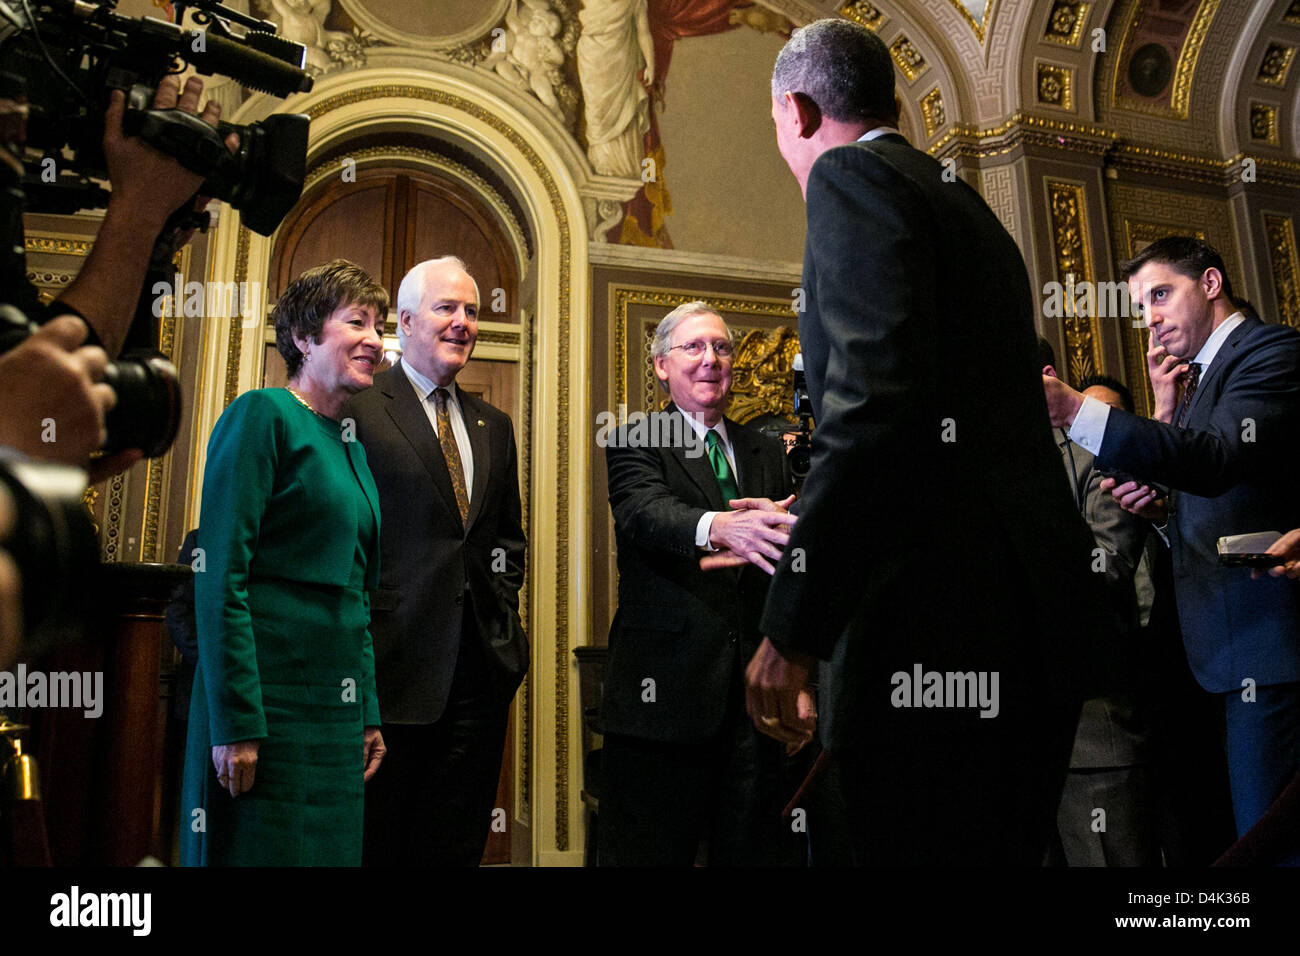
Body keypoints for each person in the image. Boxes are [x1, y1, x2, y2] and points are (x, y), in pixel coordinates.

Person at [743, 18, 1107, 865]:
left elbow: (871, 404)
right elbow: (942, 423)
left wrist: (792, 626)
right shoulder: (963, 201)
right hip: (1028, 628)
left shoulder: (848, 177)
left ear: (796, 110)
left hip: (929, 633)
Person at [1042, 236, 1300, 850]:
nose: (1150, 318)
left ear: (1210, 284)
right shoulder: (1197, 380)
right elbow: (1210, 497)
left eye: (1162, 294)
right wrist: (1160, 511)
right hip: (1214, 656)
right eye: (1141, 305)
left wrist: (1076, 409)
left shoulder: (1271, 351)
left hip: (1270, 646)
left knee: (1271, 844)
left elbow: (1216, 460)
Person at [180, 260, 388, 866]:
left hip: (334, 713)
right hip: (264, 706)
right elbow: (219, 578)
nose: (375, 341)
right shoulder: (263, 415)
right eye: (357, 322)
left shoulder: (349, 440)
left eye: (379, 327)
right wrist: (236, 720)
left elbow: (356, 596)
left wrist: (366, 711)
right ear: (303, 337)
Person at [599, 301, 806, 866]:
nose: (710, 359)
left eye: (721, 347)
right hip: (663, 701)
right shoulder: (634, 437)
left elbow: (794, 552)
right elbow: (646, 513)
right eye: (694, 347)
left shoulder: (768, 448)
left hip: (755, 705)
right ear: (662, 366)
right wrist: (722, 526)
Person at [347, 256, 528, 867]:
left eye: (472, 311)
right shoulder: (361, 407)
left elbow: (507, 542)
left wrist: (504, 625)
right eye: (445, 308)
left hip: (479, 678)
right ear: (403, 321)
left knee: (456, 843)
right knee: (382, 843)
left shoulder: (493, 425)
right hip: (390, 674)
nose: (462, 322)